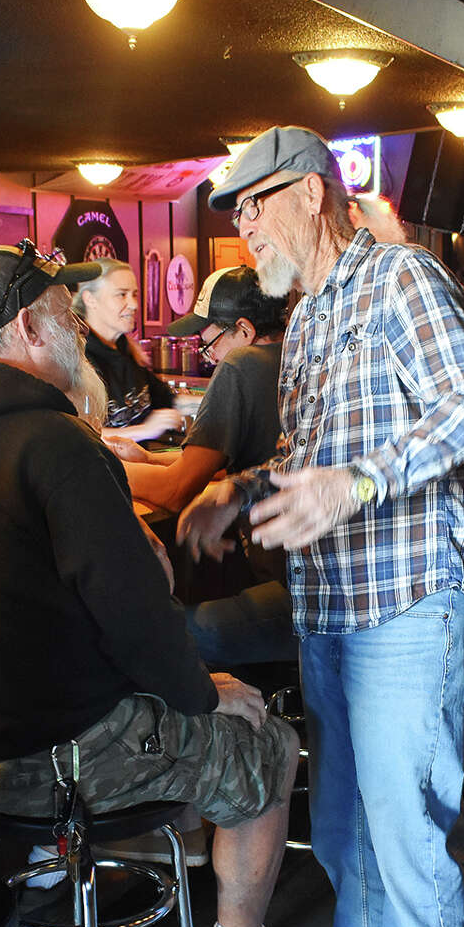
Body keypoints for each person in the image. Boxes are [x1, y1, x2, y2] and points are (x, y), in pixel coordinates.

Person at [181, 126, 464, 927]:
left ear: (315, 193)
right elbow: (311, 453)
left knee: (408, 840)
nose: (242, 227)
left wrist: (355, 483)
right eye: (231, 211)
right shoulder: (310, 314)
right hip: (331, 604)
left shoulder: (399, 274)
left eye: (253, 203)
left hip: (409, 599)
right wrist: (247, 487)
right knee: (350, 828)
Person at [0, 243, 299, 927]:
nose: (76, 327)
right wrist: (202, 691)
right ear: (25, 326)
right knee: (271, 743)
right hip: (68, 756)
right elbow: (135, 613)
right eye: (62, 313)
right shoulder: (56, 442)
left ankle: (58, 873)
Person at [122, 265, 295, 667]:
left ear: (245, 330)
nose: (210, 356)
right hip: (319, 583)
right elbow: (223, 467)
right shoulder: (294, 354)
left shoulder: (241, 366)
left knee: (154, 637)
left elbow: (176, 490)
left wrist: (98, 462)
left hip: (292, 594)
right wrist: (148, 458)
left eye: (210, 342)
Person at [72, 258, 185, 440]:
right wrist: (144, 430)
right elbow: (80, 435)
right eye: (121, 294)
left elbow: (167, 400)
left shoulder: (125, 348)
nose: (134, 305)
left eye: (134, 294)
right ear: (90, 299)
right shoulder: (77, 358)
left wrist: (215, 400)